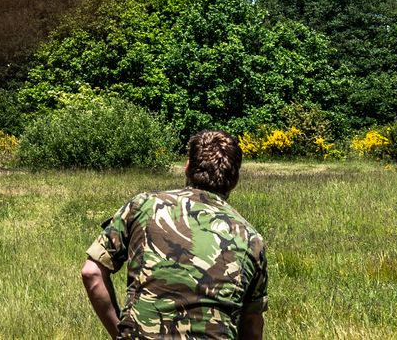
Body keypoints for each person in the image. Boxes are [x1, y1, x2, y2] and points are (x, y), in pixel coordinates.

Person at [81, 130, 267, 339]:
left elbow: (92, 272)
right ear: (235, 180)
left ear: (187, 167)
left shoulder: (144, 206)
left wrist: (121, 334)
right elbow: (252, 325)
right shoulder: (251, 239)